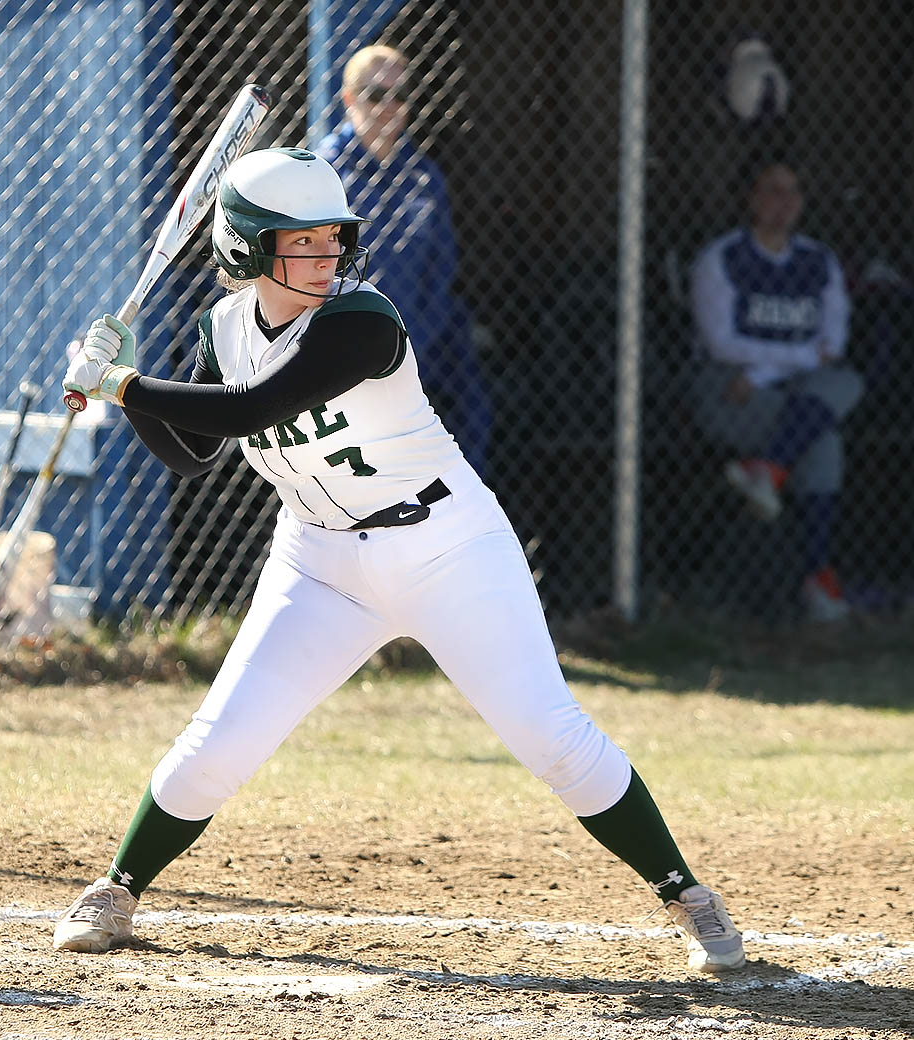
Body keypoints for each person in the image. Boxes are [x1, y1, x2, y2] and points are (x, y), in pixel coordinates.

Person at [56, 147, 745, 973]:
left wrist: (125, 384)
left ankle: (686, 892)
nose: (322, 257)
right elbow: (194, 454)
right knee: (221, 739)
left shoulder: (363, 321)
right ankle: (118, 885)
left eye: (328, 239)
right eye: (297, 241)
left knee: (550, 733)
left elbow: (254, 408)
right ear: (246, 248)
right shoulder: (223, 328)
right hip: (319, 558)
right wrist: (111, 388)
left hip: (447, 547)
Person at [691, 162, 864, 622]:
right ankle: (817, 574)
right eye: (771, 191)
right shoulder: (721, 258)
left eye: (793, 192)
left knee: (847, 381)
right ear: (751, 199)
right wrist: (793, 362)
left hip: (774, 386)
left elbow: (836, 346)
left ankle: (767, 469)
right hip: (731, 394)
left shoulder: (819, 261)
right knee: (821, 435)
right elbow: (721, 343)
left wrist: (764, 370)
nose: (783, 202)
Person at [316, 44, 492, 477]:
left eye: (399, 95)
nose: (389, 106)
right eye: (376, 94)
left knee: (473, 399)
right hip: (340, 346)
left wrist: (415, 344)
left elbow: (442, 270)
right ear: (350, 100)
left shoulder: (423, 175)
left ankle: (459, 510)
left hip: (417, 342)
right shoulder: (323, 174)